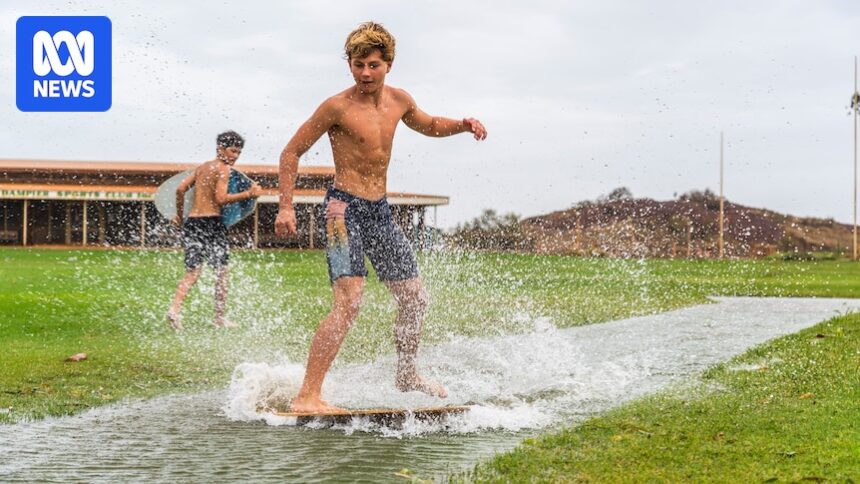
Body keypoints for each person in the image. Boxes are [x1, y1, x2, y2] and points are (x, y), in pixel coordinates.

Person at [274, 22, 487, 413]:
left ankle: (407, 373)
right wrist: (286, 205)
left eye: (373, 65)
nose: (365, 74)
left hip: (379, 211)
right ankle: (308, 394)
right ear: (350, 65)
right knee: (349, 302)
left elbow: (428, 124)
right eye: (358, 65)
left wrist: (461, 125)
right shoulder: (336, 107)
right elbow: (291, 152)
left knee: (415, 298)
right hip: (343, 211)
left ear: (389, 64)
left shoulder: (400, 100)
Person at [166, 130, 261, 330]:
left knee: (193, 271)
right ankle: (219, 318)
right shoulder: (224, 169)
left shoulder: (201, 168)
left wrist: (179, 215)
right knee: (222, 272)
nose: (235, 156)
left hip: (192, 222)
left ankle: (174, 310)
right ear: (220, 148)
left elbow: (180, 189)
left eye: (238, 153)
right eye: (233, 151)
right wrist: (248, 193)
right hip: (211, 222)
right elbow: (221, 199)